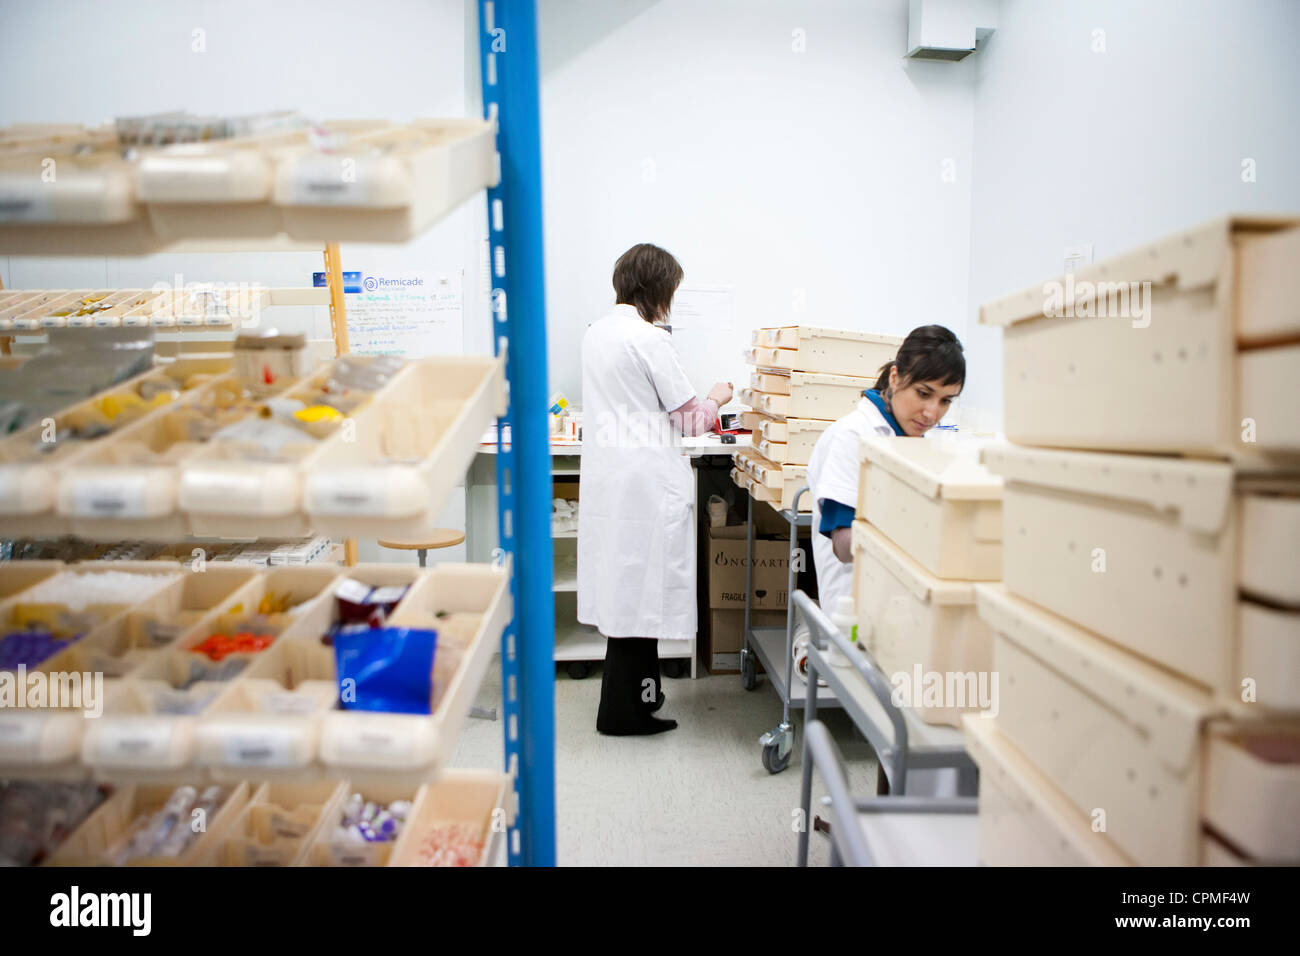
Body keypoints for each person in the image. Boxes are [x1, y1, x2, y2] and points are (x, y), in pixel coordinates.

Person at [577, 243, 733, 736]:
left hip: (612, 479)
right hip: (645, 483)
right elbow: (690, 420)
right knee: (638, 596)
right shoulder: (649, 340)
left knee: (628, 593)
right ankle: (624, 712)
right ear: (659, 289)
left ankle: (637, 703)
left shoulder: (596, 333)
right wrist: (717, 397)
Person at [805, 325, 966, 617]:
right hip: (857, 611)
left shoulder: (915, 439)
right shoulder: (851, 437)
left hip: (906, 604)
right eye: (923, 393)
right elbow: (843, 546)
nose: (932, 413)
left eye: (945, 400)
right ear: (895, 377)